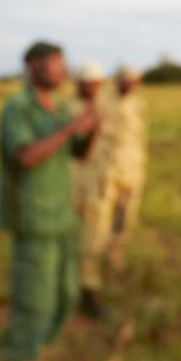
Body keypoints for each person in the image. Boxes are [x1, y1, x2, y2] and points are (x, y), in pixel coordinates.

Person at [0, 41, 99, 361]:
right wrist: (73, 125)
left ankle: (38, 360)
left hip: (62, 218)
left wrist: (90, 130)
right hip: (35, 221)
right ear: (32, 66)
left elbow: (75, 154)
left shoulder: (55, 109)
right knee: (34, 303)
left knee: (64, 296)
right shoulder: (17, 108)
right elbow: (25, 157)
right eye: (55, 64)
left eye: (63, 63)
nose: (62, 71)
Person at [82, 64, 149, 292]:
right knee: (99, 219)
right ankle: (91, 265)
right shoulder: (101, 100)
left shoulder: (137, 104)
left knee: (125, 217)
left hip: (132, 170)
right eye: (127, 79)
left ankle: (116, 253)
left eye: (135, 80)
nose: (132, 84)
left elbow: (139, 137)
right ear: (118, 80)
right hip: (105, 170)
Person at [69, 61, 112, 320]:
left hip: (98, 186)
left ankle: (86, 289)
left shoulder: (105, 108)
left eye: (97, 83)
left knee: (93, 242)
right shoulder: (66, 110)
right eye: (87, 82)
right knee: (80, 243)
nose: (93, 88)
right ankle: (87, 293)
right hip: (73, 187)